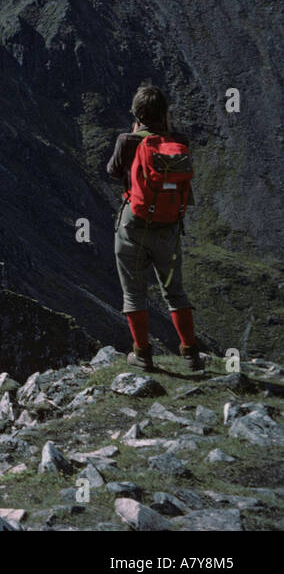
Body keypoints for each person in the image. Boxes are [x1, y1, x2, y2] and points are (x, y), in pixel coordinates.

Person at [106, 84, 203, 372]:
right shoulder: (179, 141)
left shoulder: (127, 140)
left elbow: (113, 172)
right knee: (175, 292)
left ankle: (142, 354)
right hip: (170, 228)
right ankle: (191, 353)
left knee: (134, 293)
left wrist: (135, 135)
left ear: (136, 113)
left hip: (133, 226)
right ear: (165, 113)